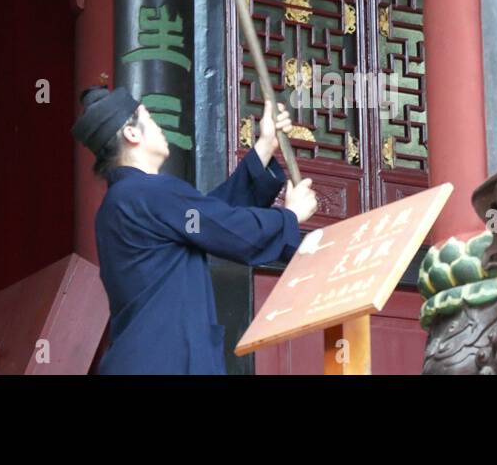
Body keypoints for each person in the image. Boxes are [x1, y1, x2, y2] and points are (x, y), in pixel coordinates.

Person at [71, 86, 318, 374]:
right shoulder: (148, 193)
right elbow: (223, 228)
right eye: (149, 119)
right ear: (132, 134)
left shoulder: (127, 199)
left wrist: (264, 146)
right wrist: (289, 216)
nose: (157, 127)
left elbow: (207, 221)